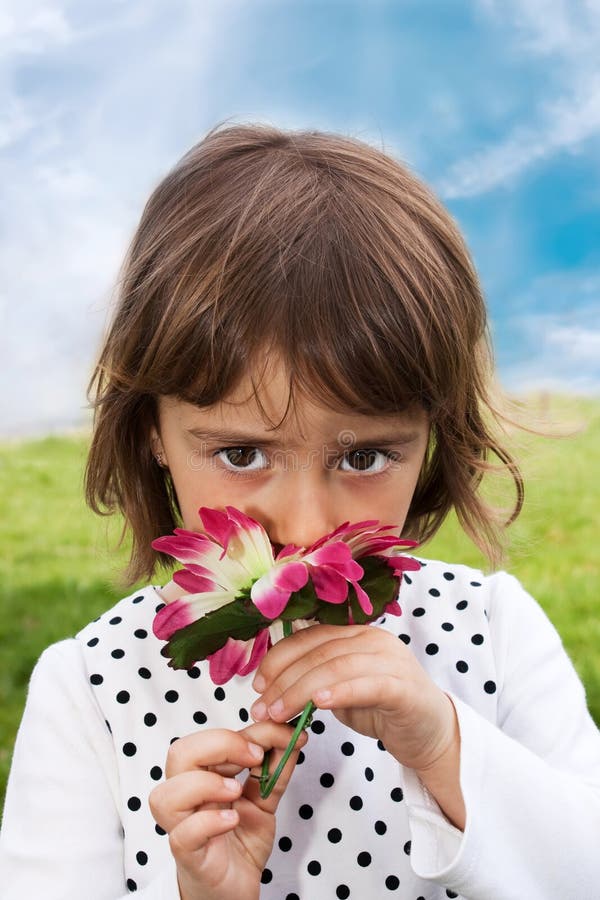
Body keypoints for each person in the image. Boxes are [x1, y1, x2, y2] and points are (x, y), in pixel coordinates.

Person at [1, 123, 599, 900]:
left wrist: (443, 745)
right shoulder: (93, 690)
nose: (307, 527)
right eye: (242, 454)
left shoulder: (489, 634)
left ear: (433, 437)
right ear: (152, 431)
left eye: (363, 458)